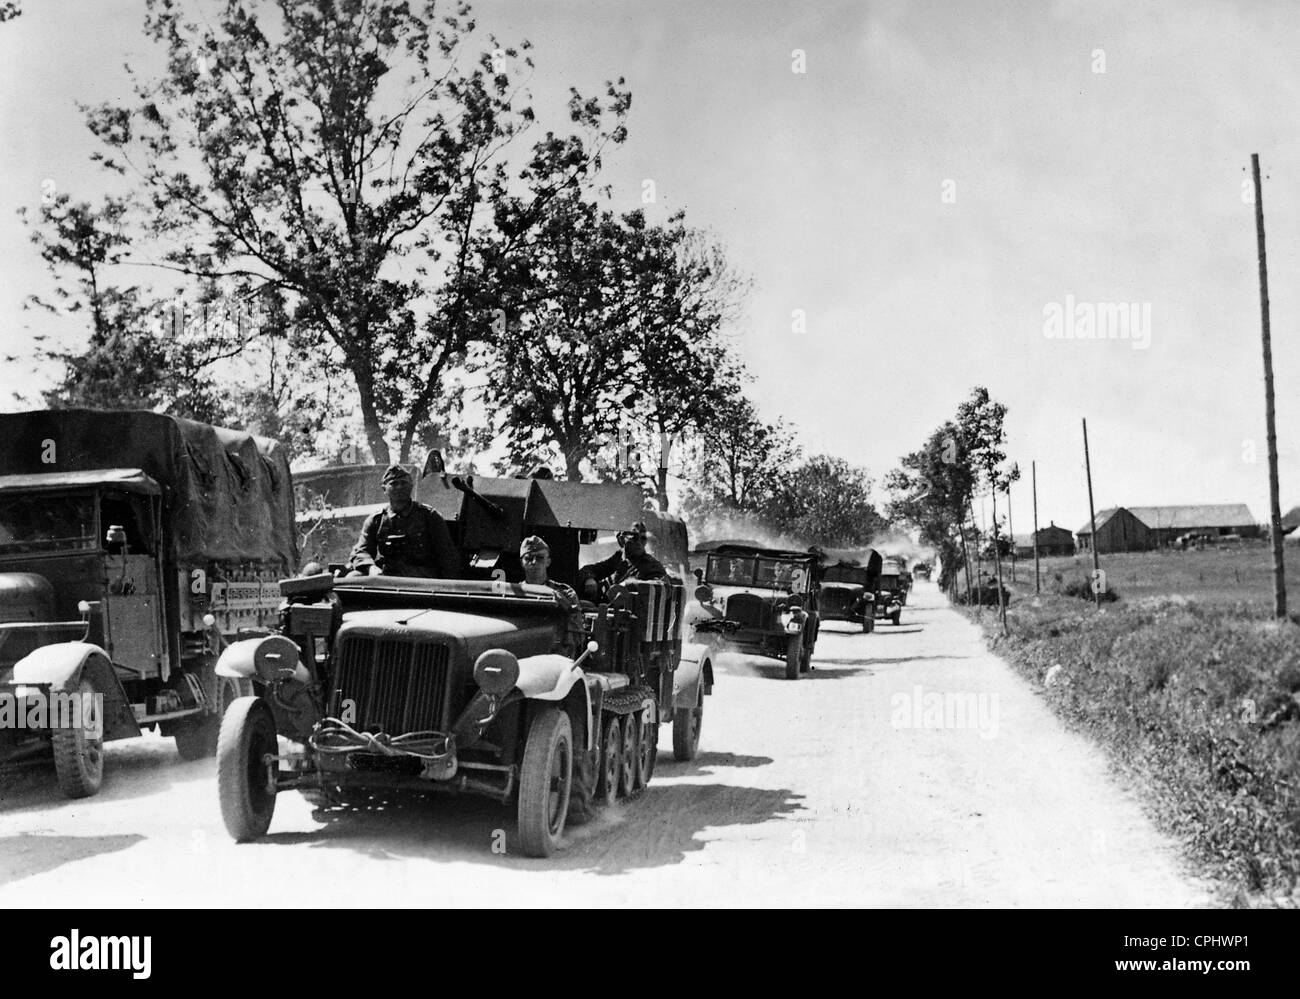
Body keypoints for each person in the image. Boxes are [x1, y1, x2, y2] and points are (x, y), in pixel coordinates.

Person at [347, 465, 460, 578]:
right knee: (352, 578)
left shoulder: (429, 516)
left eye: (404, 483)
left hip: (422, 579)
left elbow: (448, 556)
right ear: (384, 489)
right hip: (386, 575)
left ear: (411, 486)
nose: (399, 487)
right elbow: (361, 551)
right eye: (394, 483)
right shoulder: (377, 520)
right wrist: (371, 568)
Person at [520, 535, 586, 658]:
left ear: (548, 562)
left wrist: (563, 607)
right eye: (528, 558)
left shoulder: (565, 593)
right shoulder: (515, 594)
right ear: (522, 563)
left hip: (554, 657)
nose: (534, 563)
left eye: (540, 558)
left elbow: (578, 636)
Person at [578, 521, 666, 600]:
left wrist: (628, 585)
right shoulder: (618, 558)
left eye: (643, 538)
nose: (639, 542)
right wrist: (589, 579)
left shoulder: (652, 565)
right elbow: (589, 570)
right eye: (634, 537)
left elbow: (662, 586)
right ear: (621, 540)